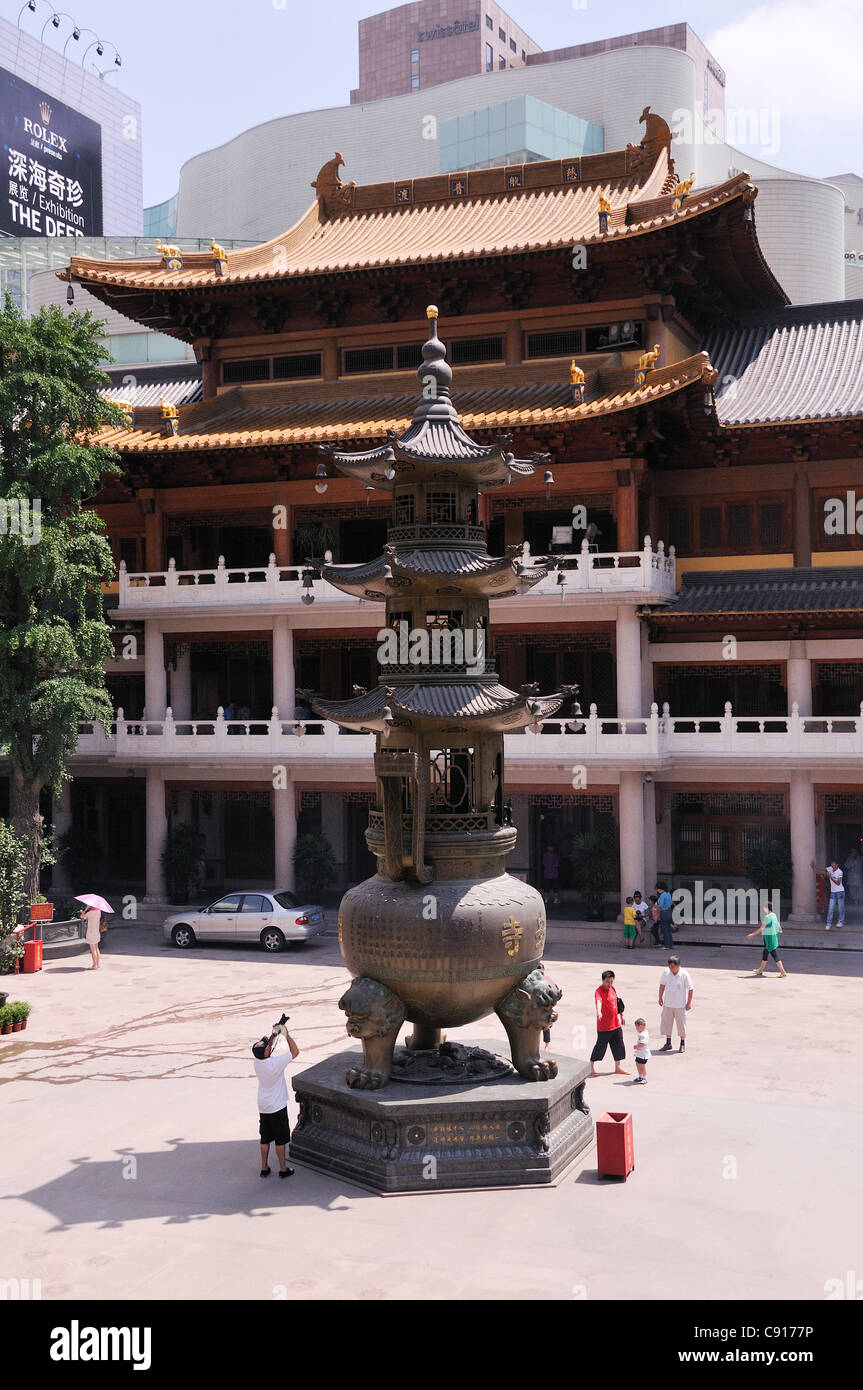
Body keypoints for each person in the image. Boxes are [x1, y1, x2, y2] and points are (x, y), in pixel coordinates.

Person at [252, 1018, 300, 1178]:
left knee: (265, 1138)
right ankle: (283, 1169)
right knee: (280, 1140)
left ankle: (264, 1168)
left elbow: (266, 1049)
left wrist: (274, 1034)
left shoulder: (257, 1062)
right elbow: (295, 1052)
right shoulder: (275, 1064)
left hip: (263, 1106)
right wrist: (286, 1034)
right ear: (266, 1052)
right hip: (277, 1106)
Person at [589, 970, 629, 1077]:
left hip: (615, 1024)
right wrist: (599, 1011)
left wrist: (622, 1015)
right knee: (600, 1046)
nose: (609, 984)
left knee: (618, 1045)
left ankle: (618, 1067)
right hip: (604, 1026)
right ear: (603, 980)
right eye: (607, 982)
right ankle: (591, 1067)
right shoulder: (598, 991)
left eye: (611, 981)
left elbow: (617, 1002)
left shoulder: (612, 989)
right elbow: (599, 1001)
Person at [657, 954, 694, 1053]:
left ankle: (682, 1044)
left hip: (680, 1005)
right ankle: (668, 1043)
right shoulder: (666, 972)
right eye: (670, 966)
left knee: (681, 1025)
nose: (671, 969)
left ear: (678, 966)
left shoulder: (684, 974)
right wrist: (660, 997)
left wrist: (689, 1003)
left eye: (673, 967)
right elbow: (662, 984)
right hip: (668, 1003)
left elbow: (690, 989)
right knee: (667, 1024)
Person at [747, 906, 788, 977]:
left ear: (768, 909)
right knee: (765, 953)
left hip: (769, 938)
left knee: (774, 954)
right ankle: (760, 970)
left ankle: (783, 972)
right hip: (772, 937)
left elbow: (761, 928)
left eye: (764, 908)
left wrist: (752, 934)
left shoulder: (767, 917)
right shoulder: (774, 915)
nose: (763, 910)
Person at [825, 859, 845, 930]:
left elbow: (838, 883)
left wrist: (830, 877)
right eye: (831, 864)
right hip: (833, 892)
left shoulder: (840, 872)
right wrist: (814, 866)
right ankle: (829, 923)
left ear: (837, 865)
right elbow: (823, 868)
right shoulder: (830, 868)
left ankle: (841, 921)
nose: (832, 865)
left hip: (840, 892)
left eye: (834, 864)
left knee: (840, 908)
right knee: (831, 908)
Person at [82, 904, 102, 970]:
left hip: (91, 932)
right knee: (96, 948)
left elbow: (81, 916)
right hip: (96, 932)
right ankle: (97, 964)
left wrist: (86, 909)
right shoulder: (99, 912)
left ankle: (94, 965)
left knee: (93, 950)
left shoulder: (90, 913)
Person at [655, 882, 674, 948]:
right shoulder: (668, 893)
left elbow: (660, 905)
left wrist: (656, 907)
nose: (657, 890)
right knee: (668, 929)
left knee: (665, 929)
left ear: (660, 889)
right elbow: (671, 903)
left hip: (664, 912)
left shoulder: (662, 895)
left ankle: (666, 945)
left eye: (657, 889)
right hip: (669, 911)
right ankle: (670, 944)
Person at [632, 1017, 650, 1084]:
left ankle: (644, 1078)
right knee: (637, 1064)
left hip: (643, 1055)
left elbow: (642, 1044)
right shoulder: (643, 1033)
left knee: (642, 1066)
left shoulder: (643, 1035)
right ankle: (640, 1076)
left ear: (641, 1026)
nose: (636, 1029)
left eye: (637, 1027)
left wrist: (636, 1046)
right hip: (640, 1054)